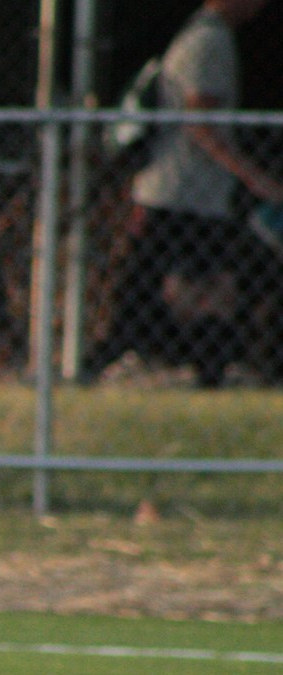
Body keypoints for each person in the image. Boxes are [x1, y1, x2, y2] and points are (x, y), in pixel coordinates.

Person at [89, 0, 283, 388]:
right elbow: (200, 122)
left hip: (197, 194)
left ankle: (208, 366)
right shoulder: (206, 41)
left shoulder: (213, 37)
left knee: (208, 284)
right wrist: (253, 177)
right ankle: (126, 359)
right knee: (171, 285)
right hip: (180, 192)